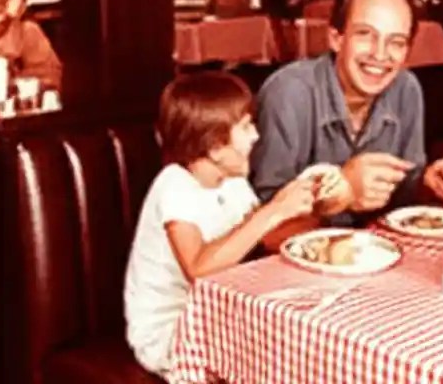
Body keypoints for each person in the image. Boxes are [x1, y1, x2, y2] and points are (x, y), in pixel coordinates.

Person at [249, 0, 443, 234]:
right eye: (365, 34)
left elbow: (406, 190)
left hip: (377, 253)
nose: (380, 54)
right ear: (336, 38)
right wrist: (340, 192)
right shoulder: (288, 93)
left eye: (396, 42)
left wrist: (431, 181)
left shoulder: (406, 88)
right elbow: (264, 223)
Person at [124, 72, 315, 379]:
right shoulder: (175, 186)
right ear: (214, 147)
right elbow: (199, 268)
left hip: (219, 314)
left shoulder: (232, 181)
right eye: (245, 126)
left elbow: (264, 238)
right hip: (171, 330)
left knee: (301, 344)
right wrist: (273, 211)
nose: (256, 135)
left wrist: (315, 206)